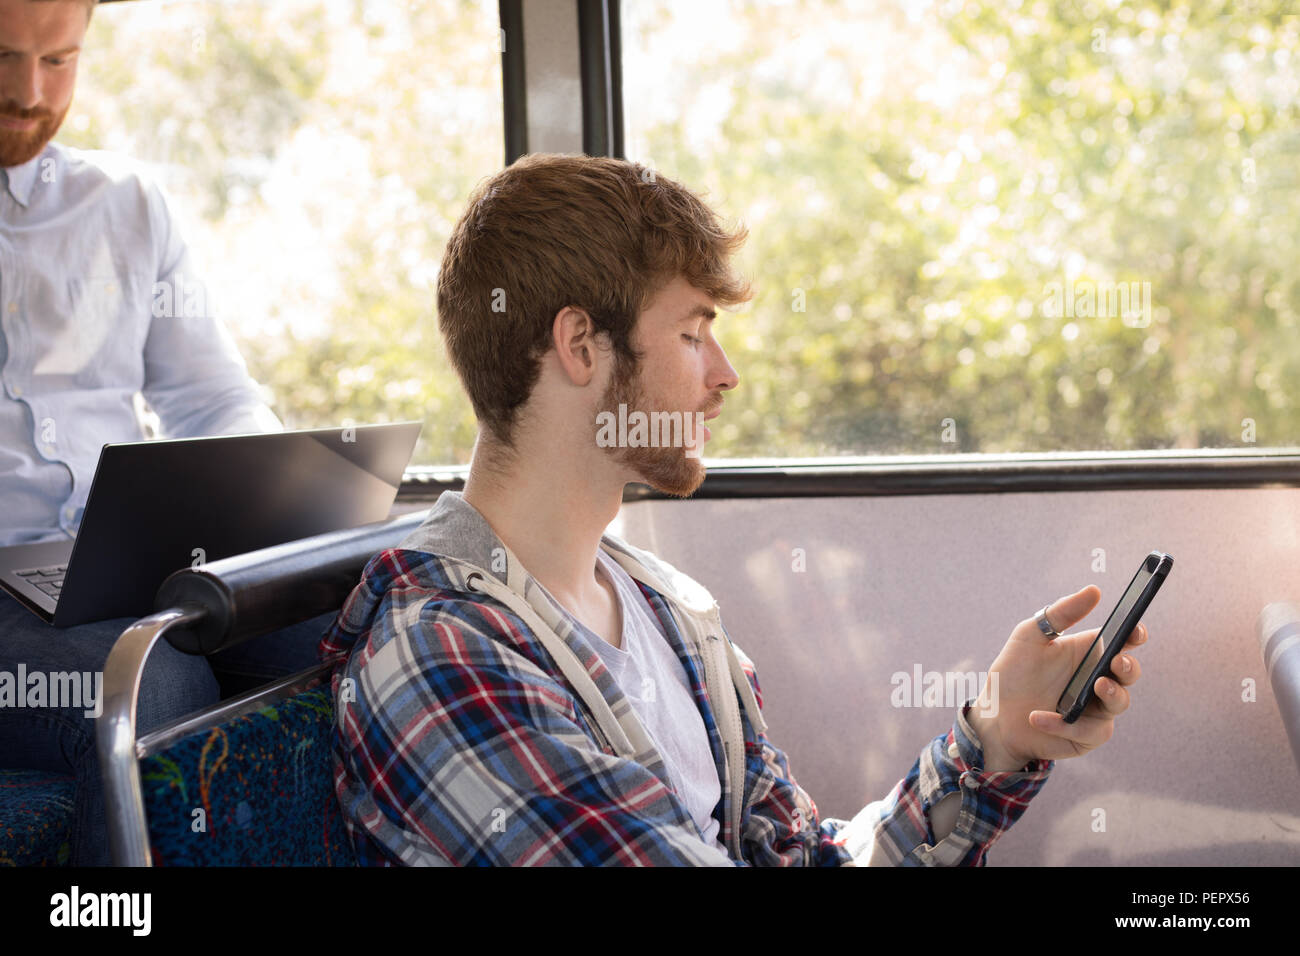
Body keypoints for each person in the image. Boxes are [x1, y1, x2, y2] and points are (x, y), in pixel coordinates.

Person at [321, 152, 1149, 866]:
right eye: (691, 335)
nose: (724, 375)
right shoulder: (438, 657)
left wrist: (995, 738)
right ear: (580, 346)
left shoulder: (668, 609)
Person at [0, 0, 323, 866]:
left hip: (119, 563)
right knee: (157, 683)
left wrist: (264, 492)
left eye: (59, 60)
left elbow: (215, 400)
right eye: (4, 57)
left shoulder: (128, 205)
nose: (30, 93)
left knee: (349, 622)